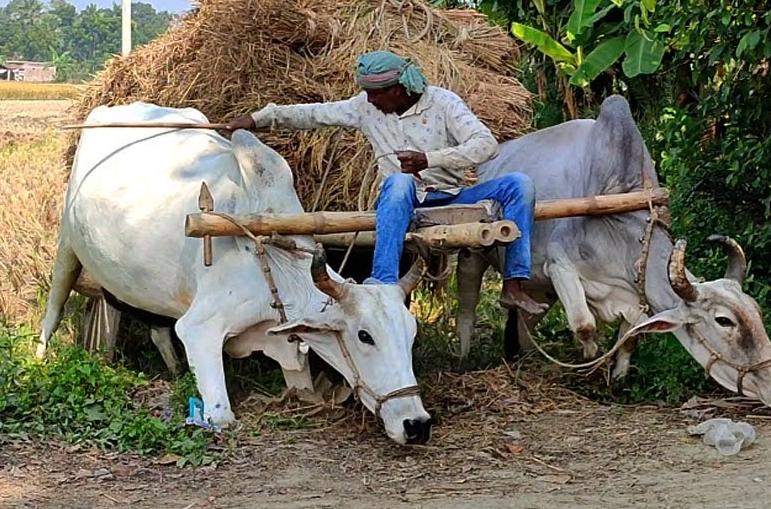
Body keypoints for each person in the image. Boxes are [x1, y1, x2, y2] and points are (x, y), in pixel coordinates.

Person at [226, 50, 547, 315]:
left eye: (376, 93)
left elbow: (485, 144)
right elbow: (312, 114)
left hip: (451, 197)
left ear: (399, 89)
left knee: (520, 184)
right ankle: (383, 282)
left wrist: (429, 159)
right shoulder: (365, 109)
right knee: (399, 181)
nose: (370, 100)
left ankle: (514, 283)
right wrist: (257, 119)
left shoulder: (444, 103)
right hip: (401, 202)